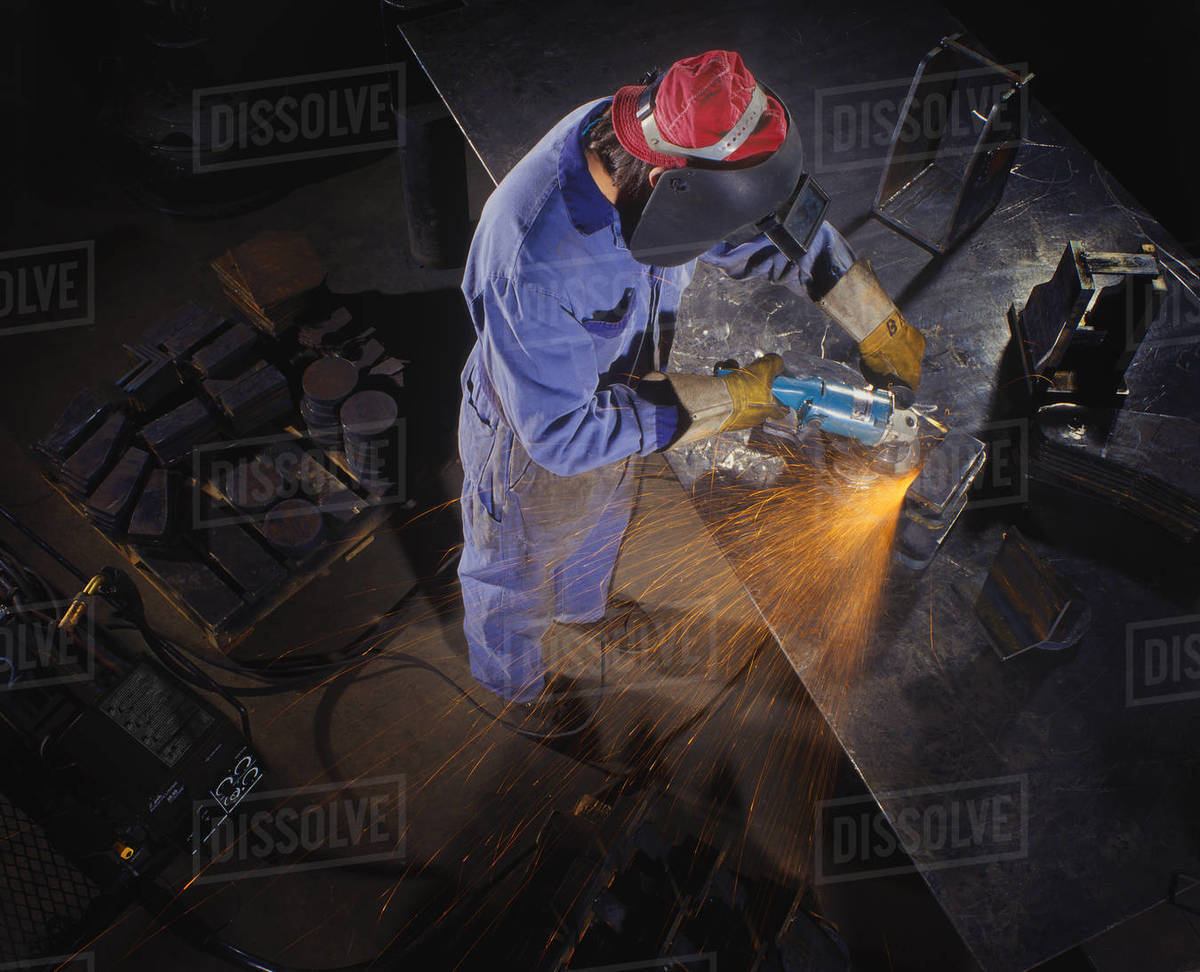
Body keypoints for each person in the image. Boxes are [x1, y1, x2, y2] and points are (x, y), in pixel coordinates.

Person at [457, 50, 924, 704]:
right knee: (515, 566)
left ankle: (584, 613)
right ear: (675, 194)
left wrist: (875, 317)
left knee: (604, 518)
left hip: (625, 403)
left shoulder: (662, 145)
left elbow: (763, 231)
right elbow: (561, 438)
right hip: (531, 431)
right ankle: (513, 686)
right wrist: (728, 400)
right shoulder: (537, 260)